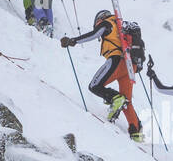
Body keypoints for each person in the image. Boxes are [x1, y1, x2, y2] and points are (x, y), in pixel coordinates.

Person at [60, 9, 143, 142]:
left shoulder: (107, 22)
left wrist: (73, 41)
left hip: (117, 60)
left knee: (95, 86)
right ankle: (136, 132)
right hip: (130, 65)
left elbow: (94, 34)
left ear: (99, 19)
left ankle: (115, 98)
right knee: (127, 100)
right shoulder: (122, 27)